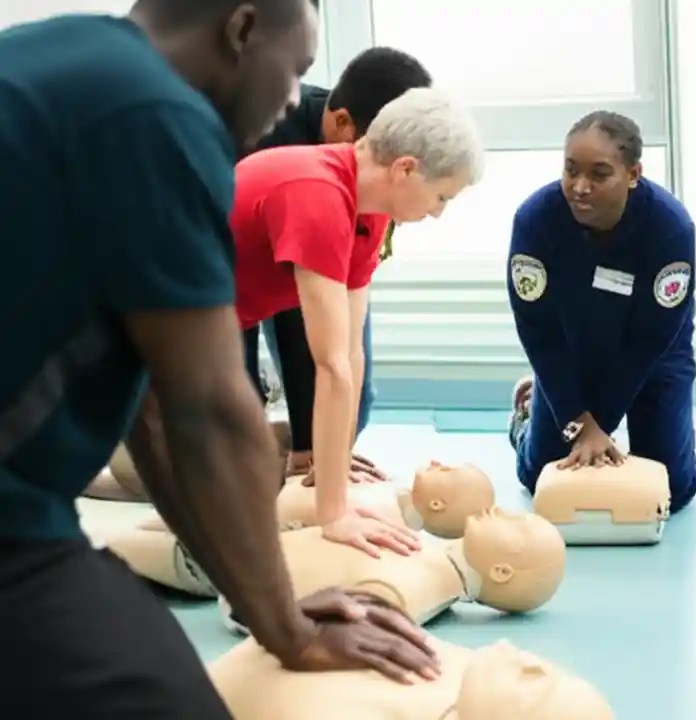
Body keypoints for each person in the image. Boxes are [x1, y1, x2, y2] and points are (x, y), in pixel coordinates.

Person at [0, 1, 439, 717]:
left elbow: (152, 410)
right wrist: (286, 624)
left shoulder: (55, 56)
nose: (295, 99)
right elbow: (206, 410)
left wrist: (259, 602)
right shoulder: (157, 117)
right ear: (241, 31)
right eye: (295, 71)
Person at [233, 86, 484, 557]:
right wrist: (334, 515)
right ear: (405, 169)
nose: (437, 212)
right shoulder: (317, 193)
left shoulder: (370, 213)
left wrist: (336, 469)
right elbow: (329, 366)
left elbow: (350, 353)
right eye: (441, 195)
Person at [248, 46, 433, 480]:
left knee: (355, 398)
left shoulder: (375, 173)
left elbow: (346, 351)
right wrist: (311, 452)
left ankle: (292, 449)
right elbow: (299, 332)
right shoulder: (270, 132)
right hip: (228, 273)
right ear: (346, 124)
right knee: (237, 408)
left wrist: (330, 453)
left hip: (305, 265)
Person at [506, 111, 696, 513]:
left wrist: (601, 423)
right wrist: (579, 423)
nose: (580, 187)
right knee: (540, 476)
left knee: (672, 491)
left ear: (633, 174)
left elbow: (652, 336)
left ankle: (573, 410)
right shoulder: (535, 221)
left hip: (653, 353)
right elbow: (538, 330)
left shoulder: (670, 227)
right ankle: (528, 415)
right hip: (571, 347)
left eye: (599, 174)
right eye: (570, 170)